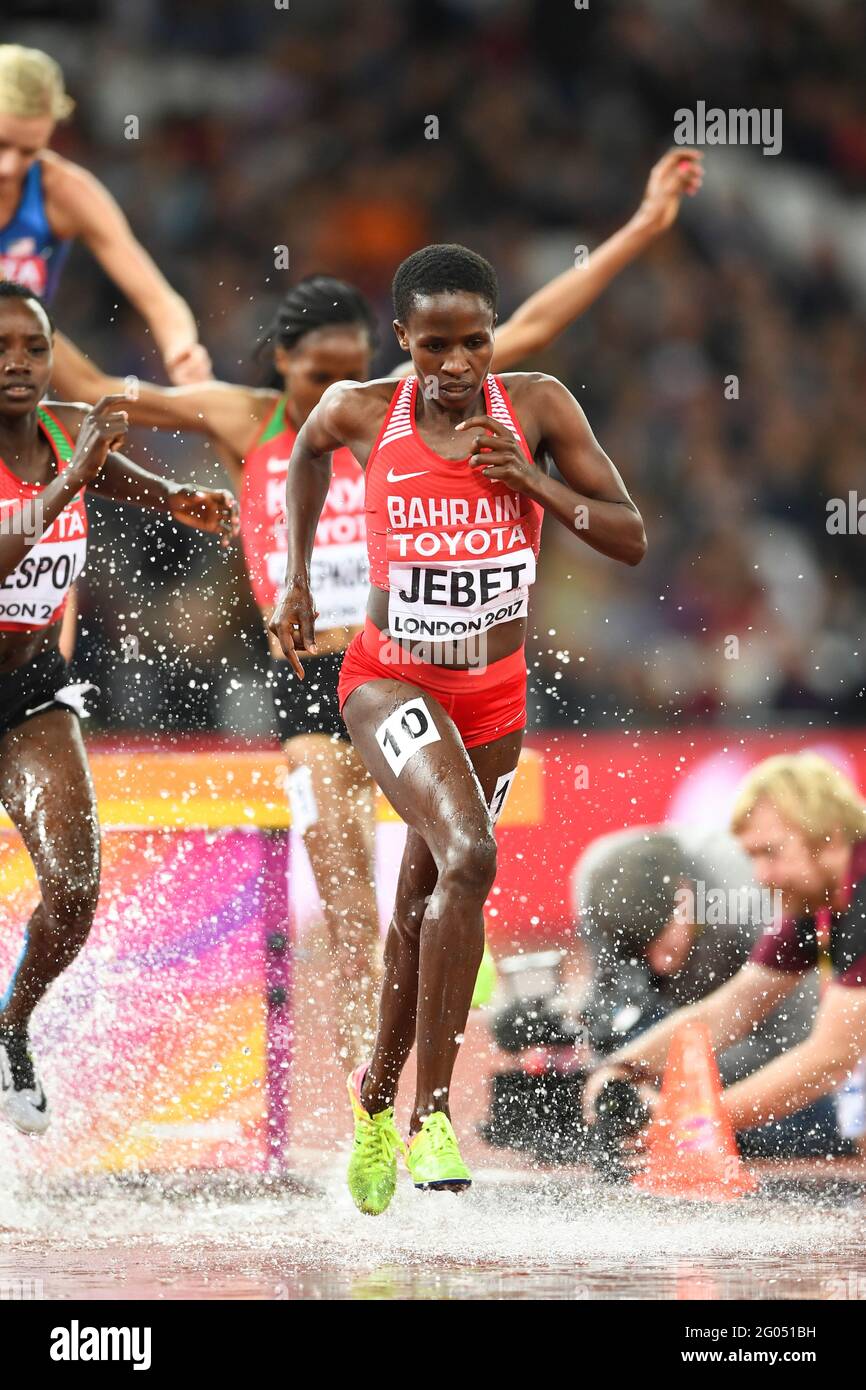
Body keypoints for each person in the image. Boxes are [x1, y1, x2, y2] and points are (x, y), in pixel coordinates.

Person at [44, 146, 702, 1068]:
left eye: (352, 369)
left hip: (430, 667)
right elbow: (98, 392)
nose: (336, 392)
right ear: (285, 367)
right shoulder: (252, 418)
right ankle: (369, 1074)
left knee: (442, 868)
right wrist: (19, 339)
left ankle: (436, 995)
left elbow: (543, 320)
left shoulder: (427, 388)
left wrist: (642, 225)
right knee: (350, 898)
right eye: (317, 377)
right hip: (320, 681)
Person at [269, 241, 647, 1214]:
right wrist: (300, 576)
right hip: (386, 681)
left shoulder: (538, 406)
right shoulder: (365, 408)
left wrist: (530, 482)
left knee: (419, 911)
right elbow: (306, 445)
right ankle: (432, 1113)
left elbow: (629, 535)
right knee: (470, 854)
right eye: (433, 344)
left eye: (472, 342)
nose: (454, 365)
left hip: (492, 699)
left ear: (490, 336)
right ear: (401, 339)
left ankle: (368, 1107)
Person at [0, 282, 237, 1136]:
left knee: (74, 891)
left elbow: (104, 470)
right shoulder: (66, 454)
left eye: (32, 347)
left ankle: (9, 1029)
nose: (18, 364)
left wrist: (170, 497)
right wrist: (76, 475)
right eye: (0, 348)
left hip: (27, 694)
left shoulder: (64, 426)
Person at [582, 753, 866, 1160]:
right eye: (752, 857)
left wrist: (689, 1118)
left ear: (832, 836)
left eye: (770, 853)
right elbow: (738, 1003)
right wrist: (625, 1066)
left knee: (848, 1115)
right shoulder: (817, 894)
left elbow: (829, 1057)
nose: (762, 876)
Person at [0, 45, 210, 383]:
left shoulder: (64, 192)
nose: (9, 167)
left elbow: (157, 298)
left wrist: (181, 348)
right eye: (0, 144)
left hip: (20, 381)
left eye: (29, 151)